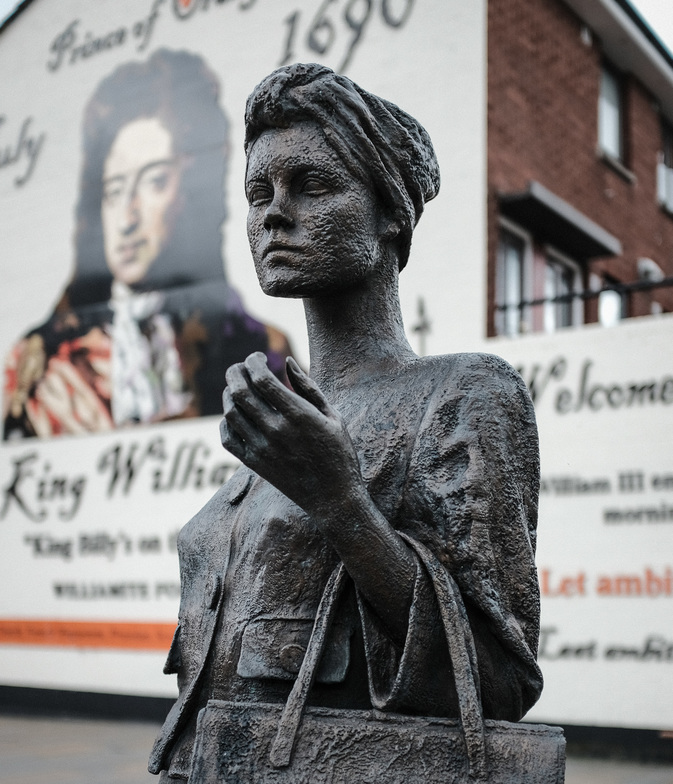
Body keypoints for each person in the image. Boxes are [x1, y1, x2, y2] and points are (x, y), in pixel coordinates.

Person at [150, 63, 543, 782]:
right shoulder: (283, 420)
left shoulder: (460, 394)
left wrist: (340, 504)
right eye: (258, 193)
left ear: (390, 211)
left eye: (312, 185)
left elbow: (498, 681)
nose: (274, 213)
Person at [3, 49, 291, 440]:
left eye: (154, 182)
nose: (128, 216)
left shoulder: (259, 351)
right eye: (114, 190)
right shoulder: (41, 364)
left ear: (190, 195)